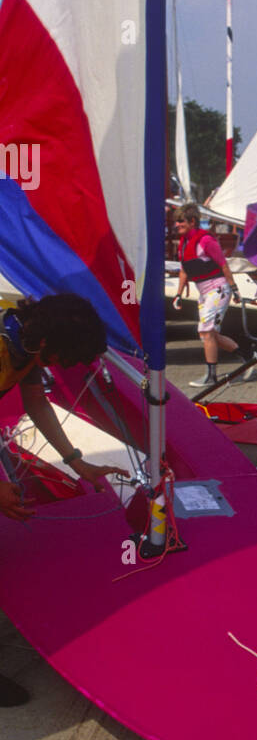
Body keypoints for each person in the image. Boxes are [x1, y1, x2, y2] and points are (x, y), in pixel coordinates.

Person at [0, 293, 124, 706]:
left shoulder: (31, 342)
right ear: (46, 344)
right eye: (60, 358)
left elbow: (35, 400)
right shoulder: (5, 346)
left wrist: (77, 463)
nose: (57, 366)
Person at [174, 205, 251, 388]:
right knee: (209, 335)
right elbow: (184, 270)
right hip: (204, 292)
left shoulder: (206, 241)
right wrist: (178, 294)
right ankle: (247, 357)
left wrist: (234, 289)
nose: (177, 225)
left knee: (206, 331)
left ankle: (211, 376)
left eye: (181, 221)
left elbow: (223, 265)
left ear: (192, 221)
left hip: (218, 289)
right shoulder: (184, 242)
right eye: (176, 221)